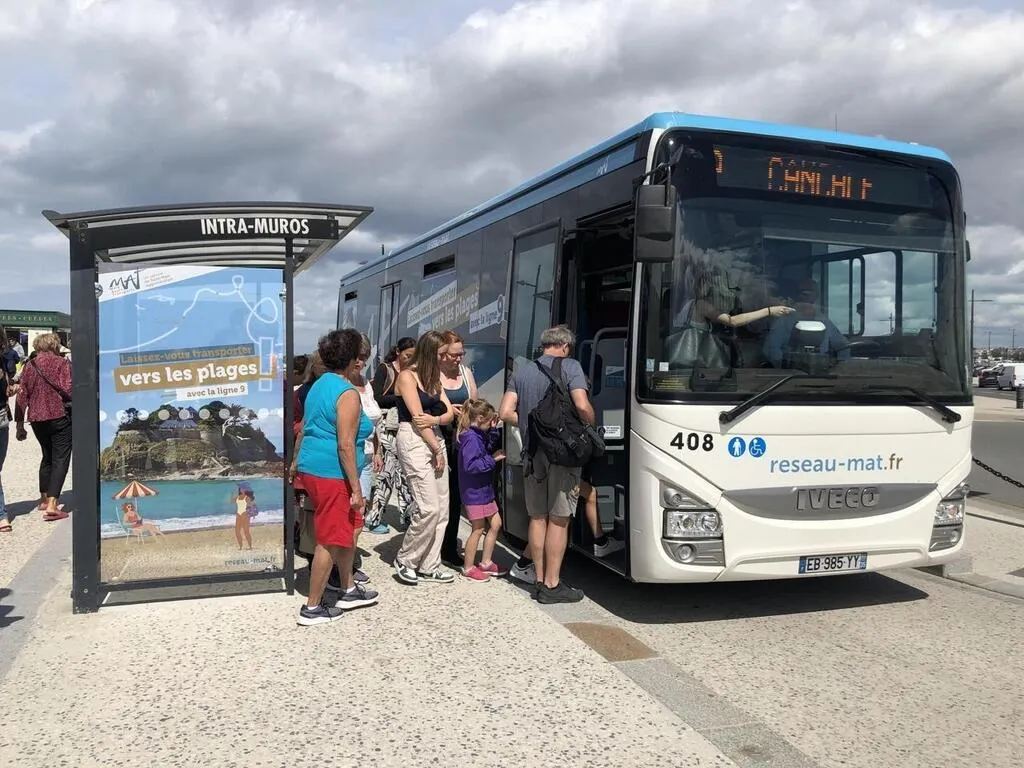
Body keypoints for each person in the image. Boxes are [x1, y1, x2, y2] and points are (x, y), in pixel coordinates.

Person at [499, 325, 593, 604]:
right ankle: (553, 585)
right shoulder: (571, 366)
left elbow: (505, 412)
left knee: (537, 518)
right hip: (563, 454)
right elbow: (582, 404)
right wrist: (590, 422)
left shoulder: (522, 372)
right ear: (564, 346)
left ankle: (538, 580)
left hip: (532, 453)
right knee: (560, 519)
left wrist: (532, 424)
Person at [295, 329, 379, 626]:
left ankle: (348, 588)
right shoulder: (347, 394)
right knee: (329, 539)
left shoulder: (320, 385)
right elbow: (345, 444)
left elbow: (307, 427)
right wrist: (356, 488)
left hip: (315, 467)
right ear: (354, 358)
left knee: (346, 528)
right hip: (334, 472)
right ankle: (312, 607)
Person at [392, 330, 456, 585]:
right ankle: (407, 558)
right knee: (428, 506)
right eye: (441, 354)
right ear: (430, 352)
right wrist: (437, 448)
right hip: (415, 440)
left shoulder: (433, 379)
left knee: (443, 508)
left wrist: (437, 420)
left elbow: (450, 412)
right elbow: (417, 419)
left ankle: (430, 563)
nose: (445, 359)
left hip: (436, 436)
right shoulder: (407, 377)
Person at [14, 333, 72, 521]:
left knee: (46, 456)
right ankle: (53, 505)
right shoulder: (62, 364)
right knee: (60, 458)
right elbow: (69, 388)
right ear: (54, 345)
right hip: (59, 415)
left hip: (37, 418)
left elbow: (22, 396)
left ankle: (43, 498)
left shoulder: (29, 366)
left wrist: (20, 424)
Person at [368, 337, 418, 530]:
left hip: (405, 427)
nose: (410, 360)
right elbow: (377, 398)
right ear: (398, 352)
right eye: (407, 355)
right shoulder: (386, 369)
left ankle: (407, 516)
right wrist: (402, 397)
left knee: (406, 474)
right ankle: (374, 518)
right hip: (388, 428)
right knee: (386, 475)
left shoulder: (413, 372)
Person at [438, 329, 478, 566]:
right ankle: (434, 545)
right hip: (439, 437)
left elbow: (475, 401)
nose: (458, 359)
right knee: (437, 497)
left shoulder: (466, 372)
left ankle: (449, 547)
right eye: (454, 355)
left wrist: (467, 411)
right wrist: (447, 411)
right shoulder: (432, 374)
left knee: (455, 496)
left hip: (461, 439)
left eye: (461, 354)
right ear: (442, 354)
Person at [455, 398, 505, 582]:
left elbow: (487, 444)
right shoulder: (470, 439)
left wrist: (493, 428)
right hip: (474, 492)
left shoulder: (477, 435)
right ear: (481, 418)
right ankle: (468, 567)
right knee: (477, 528)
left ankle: (486, 562)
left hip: (484, 489)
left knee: (496, 523)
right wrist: (493, 460)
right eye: (490, 421)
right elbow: (471, 466)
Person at [346, 334, 385, 534]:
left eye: (364, 357)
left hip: (369, 455)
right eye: (357, 357)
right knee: (350, 512)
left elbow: (374, 422)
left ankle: (348, 561)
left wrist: (378, 452)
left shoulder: (366, 383)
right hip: (351, 456)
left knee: (360, 511)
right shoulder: (343, 384)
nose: (360, 362)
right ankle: (343, 562)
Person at [763, 278, 850, 367]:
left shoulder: (824, 321)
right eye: (803, 292)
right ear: (796, 296)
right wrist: (785, 366)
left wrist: (840, 366)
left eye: (811, 292)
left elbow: (843, 346)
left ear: (816, 295)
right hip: (790, 376)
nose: (806, 296)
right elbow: (771, 350)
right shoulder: (783, 321)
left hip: (821, 372)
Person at [0, 343, 13, 533]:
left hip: (1, 418)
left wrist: (10, 389)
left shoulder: (2, 361)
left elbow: (6, 391)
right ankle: (2, 515)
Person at [233, 485, 253, 550]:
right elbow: (231, 501)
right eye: (241, 488)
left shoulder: (247, 498)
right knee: (237, 532)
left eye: (243, 488)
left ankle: (250, 546)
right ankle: (241, 546)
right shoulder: (237, 497)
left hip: (245, 515)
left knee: (246, 532)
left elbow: (251, 507)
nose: (242, 490)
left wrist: (248, 514)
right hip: (238, 515)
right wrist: (232, 493)